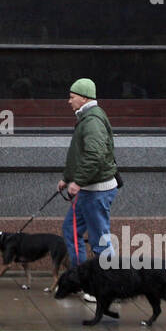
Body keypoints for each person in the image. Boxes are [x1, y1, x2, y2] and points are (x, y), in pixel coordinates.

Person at [59, 78, 120, 301]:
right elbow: (81, 154)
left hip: (96, 191)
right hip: (89, 189)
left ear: (84, 97)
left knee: (99, 240)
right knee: (71, 230)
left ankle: (107, 286)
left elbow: (94, 156)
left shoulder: (92, 121)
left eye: (72, 96)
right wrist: (68, 178)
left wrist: (77, 181)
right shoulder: (87, 118)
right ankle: (82, 278)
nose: (69, 101)